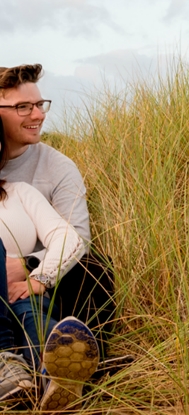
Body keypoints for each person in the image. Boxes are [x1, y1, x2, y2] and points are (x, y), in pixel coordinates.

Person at [0, 64, 115, 355]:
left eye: (39, 105)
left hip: (44, 283)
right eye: (23, 107)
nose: (38, 115)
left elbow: (77, 237)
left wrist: (30, 267)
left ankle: (84, 358)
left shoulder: (56, 167)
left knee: (93, 269)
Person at [0, 118, 99, 410]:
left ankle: (53, 380)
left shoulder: (19, 193)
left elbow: (70, 239)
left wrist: (38, 275)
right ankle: (6, 358)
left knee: (30, 312)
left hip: (18, 298)